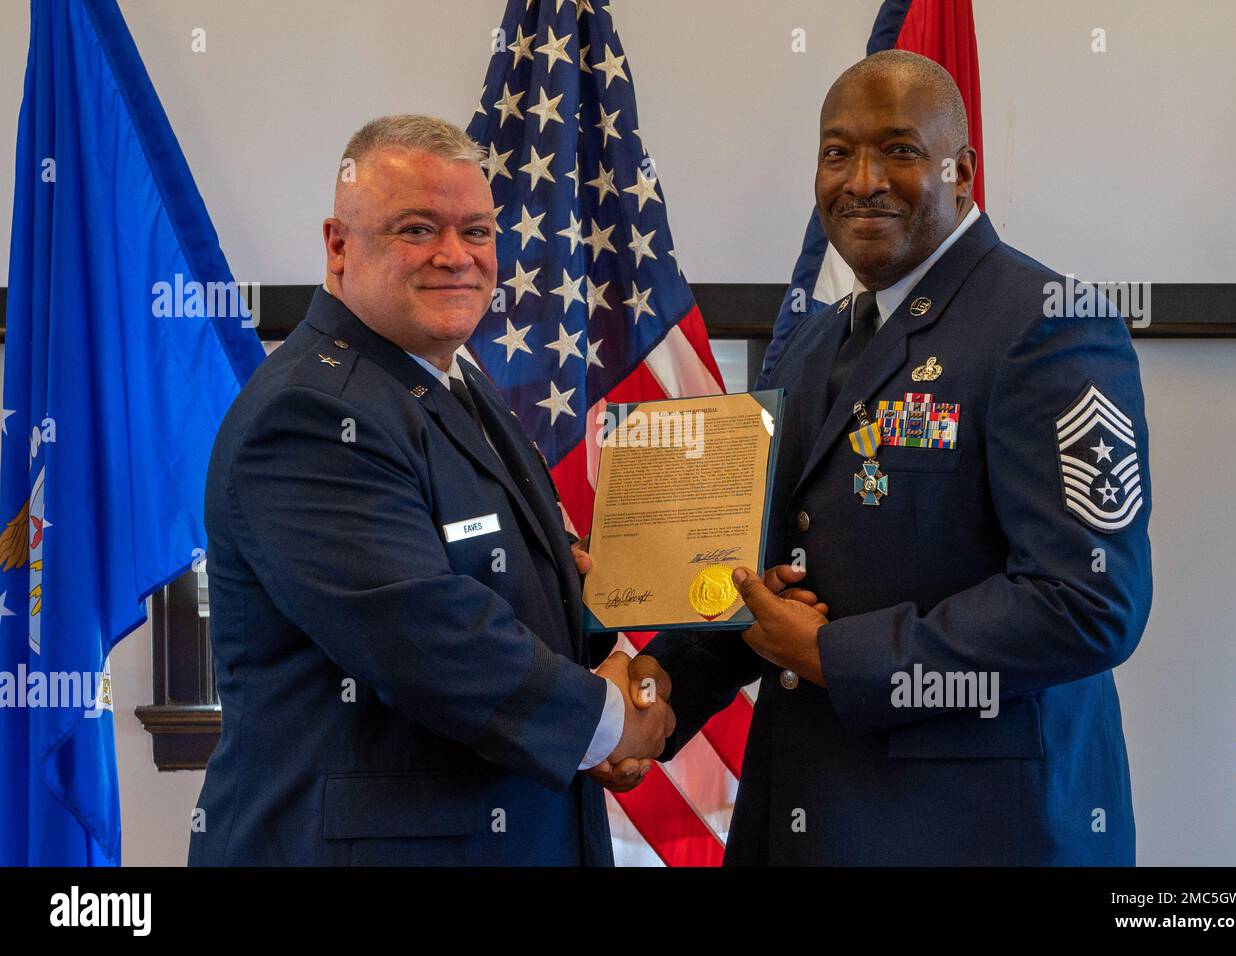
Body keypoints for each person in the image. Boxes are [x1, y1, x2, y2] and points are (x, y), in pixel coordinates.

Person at [643, 50, 1153, 865]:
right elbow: (770, 570)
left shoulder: (1050, 324)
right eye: (837, 152)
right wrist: (663, 690)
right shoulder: (814, 343)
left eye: (900, 150)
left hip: (974, 831)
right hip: (807, 814)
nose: (863, 179)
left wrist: (834, 655)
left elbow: (1088, 603)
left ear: (963, 169)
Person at [189, 115, 674, 866]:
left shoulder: (448, 383)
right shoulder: (311, 412)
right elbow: (422, 633)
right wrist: (606, 721)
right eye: (417, 229)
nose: (456, 256)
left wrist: (655, 614)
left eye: (477, 231)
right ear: (339, 246)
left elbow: (514, 587)